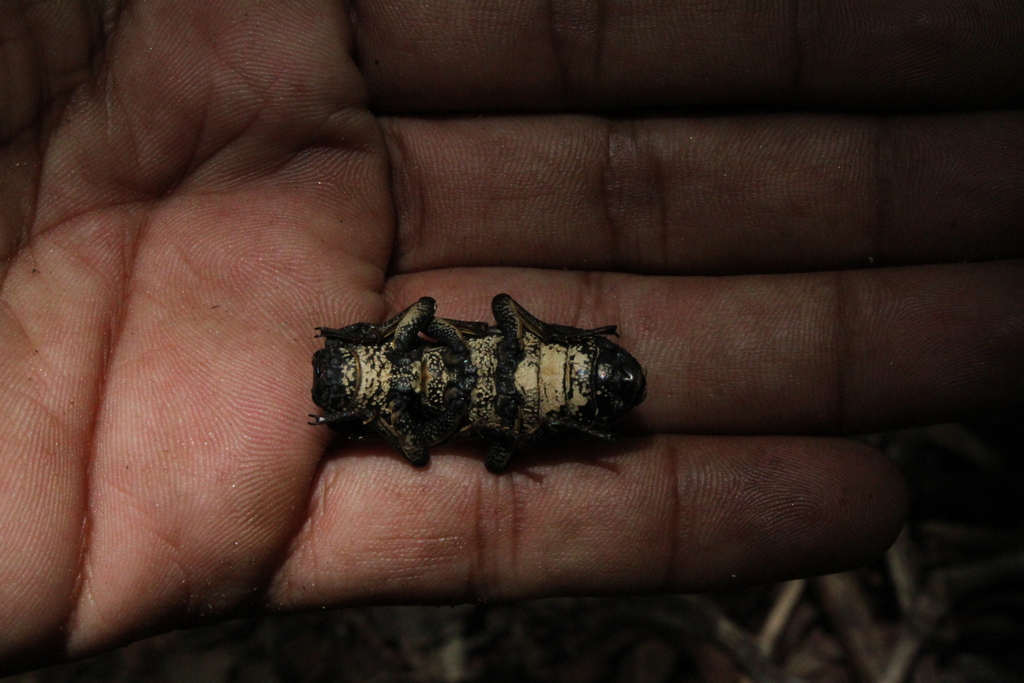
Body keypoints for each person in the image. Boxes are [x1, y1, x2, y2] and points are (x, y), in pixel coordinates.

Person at [0, 0, 1020, 673]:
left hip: (467, 380)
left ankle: (407, 380)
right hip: (454, 379)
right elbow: (490, 352)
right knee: (454, 401)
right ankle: (396, 379)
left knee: (459, 402)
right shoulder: (462, 375)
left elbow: (494, 358)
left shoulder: (510, 380)